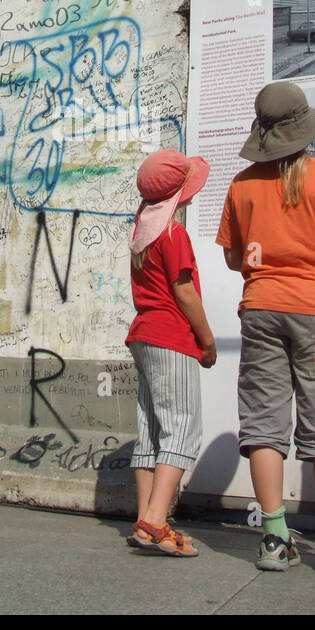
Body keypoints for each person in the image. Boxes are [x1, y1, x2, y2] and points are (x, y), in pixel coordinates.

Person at [216, 82, 315, 575]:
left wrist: (267, 261)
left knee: (264, 423)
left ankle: (275, 540)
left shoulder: (242, 185)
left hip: (261, 308)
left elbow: (234, 257)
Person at [125, 148, 217, 557]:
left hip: (143, 334)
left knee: (150, 431)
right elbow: (184, 292)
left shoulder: (142, 229)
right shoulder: (173, 233)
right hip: (171, 337)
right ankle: (157, 522)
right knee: (181, 427)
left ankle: (145, 519)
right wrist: (208, 339)